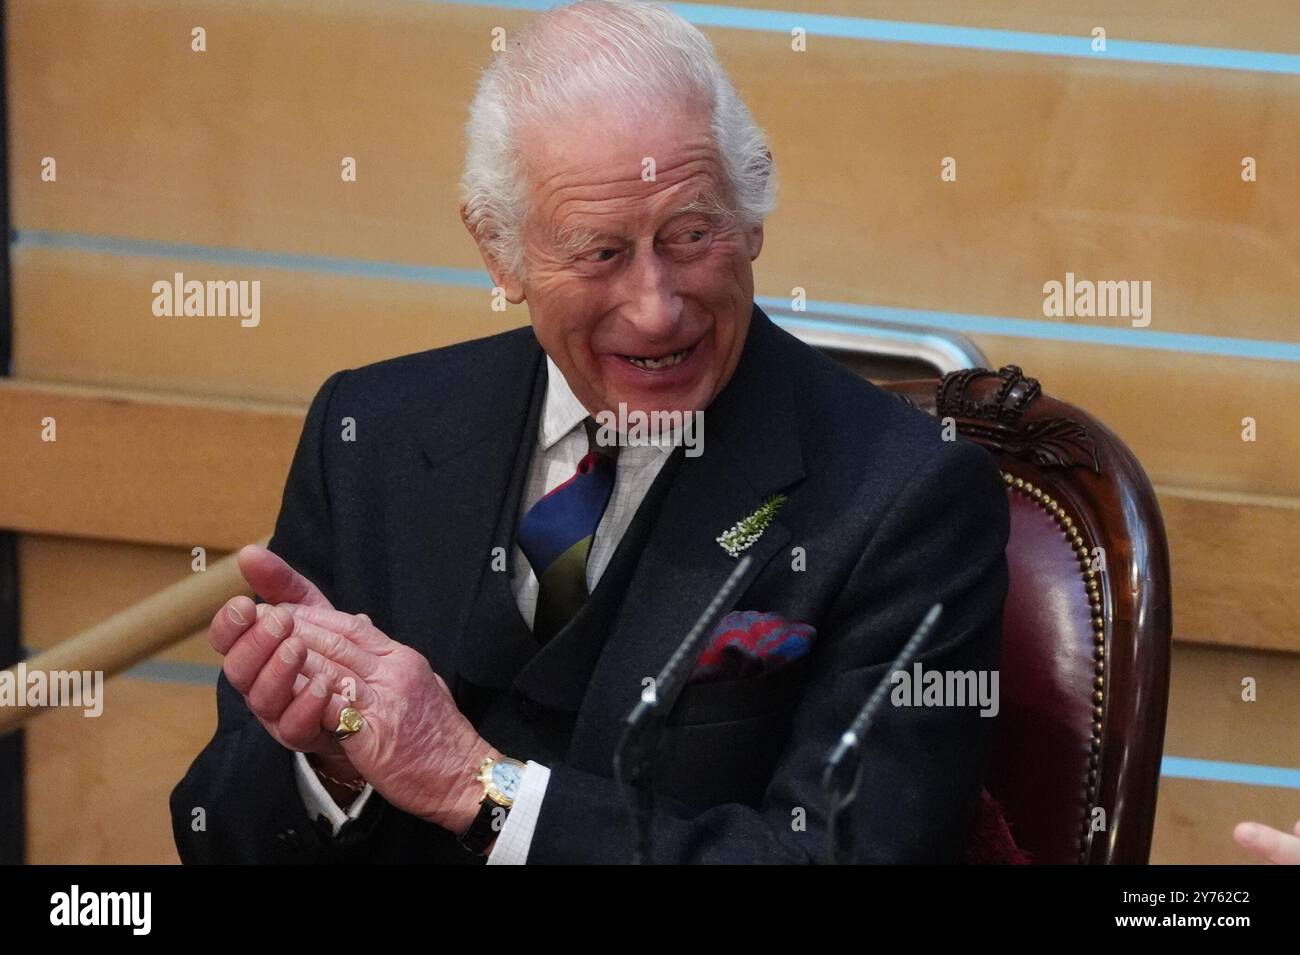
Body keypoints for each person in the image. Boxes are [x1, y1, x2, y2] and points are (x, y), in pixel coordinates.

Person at [170, 0, 1009, 864]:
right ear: (499, 252)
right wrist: (333, 769)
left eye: (692, 234)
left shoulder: (904, 496)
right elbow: (218, 830)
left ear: (752, 210)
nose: (657, 308)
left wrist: (476, 785)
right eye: (601, 252)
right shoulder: (370, 434)